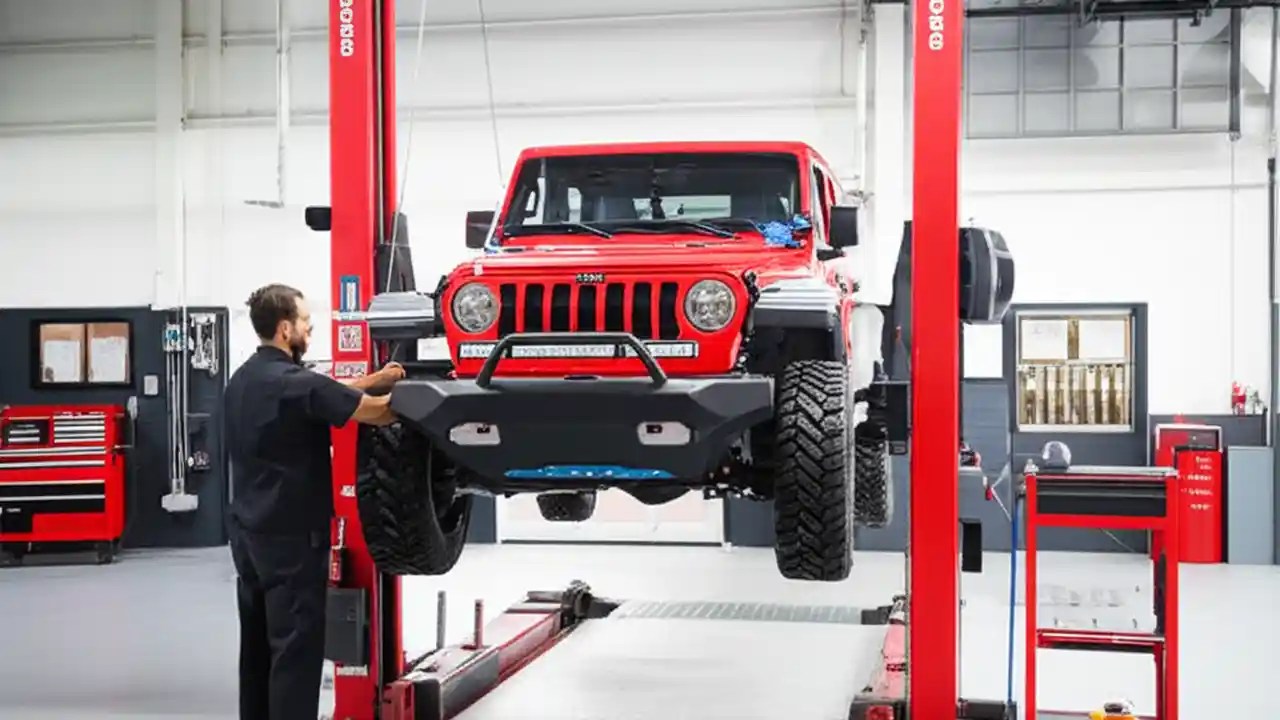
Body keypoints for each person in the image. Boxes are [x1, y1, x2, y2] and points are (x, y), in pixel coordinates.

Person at [222, 283, 404, 720]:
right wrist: (424, 400)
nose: (311, 327)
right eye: (305, 322)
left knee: (259, 648)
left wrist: (380, 378)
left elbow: (323, 393)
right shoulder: (293, 383)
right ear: (285, 329)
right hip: (291, 540)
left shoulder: (245, 379)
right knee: (296, 650)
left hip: (248, 537)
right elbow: (375, 413)